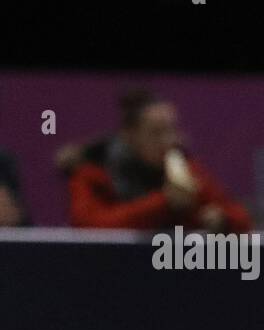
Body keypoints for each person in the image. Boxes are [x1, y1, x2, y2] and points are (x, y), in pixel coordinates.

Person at [64, 89, 251, 232]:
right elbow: (88, 227)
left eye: (172, 130)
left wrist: (222, 219)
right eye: (157, 133)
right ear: (130, 136)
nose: (169, 141)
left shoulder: (187, 170)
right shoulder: (93, 170)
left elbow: (241, 218)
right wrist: (164, 202)